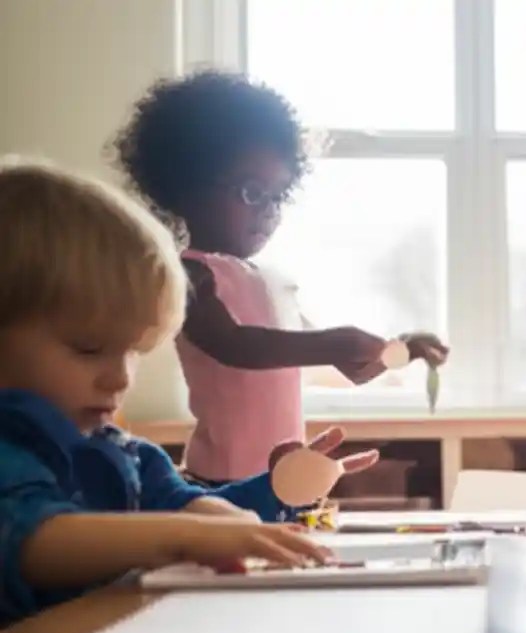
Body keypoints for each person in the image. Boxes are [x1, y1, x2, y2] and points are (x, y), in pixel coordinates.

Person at [0, 159, 373, 625]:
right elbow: (31, 540)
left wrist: (275, 490)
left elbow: (189, 508)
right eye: (89, 348)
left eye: (133, 352)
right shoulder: (12, 451)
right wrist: (186, 535)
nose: (120, 379)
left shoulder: (125, 454)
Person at [112, 70, 449, 484]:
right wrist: (331, 343)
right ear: (186, 187)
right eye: (252, 192)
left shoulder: (271, 281)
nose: (268, 211)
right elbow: (233, 345)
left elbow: (348, 368)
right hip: (222, 480)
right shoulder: (191, 272)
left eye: (278, 196)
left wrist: (401, 350)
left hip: (280, 479)